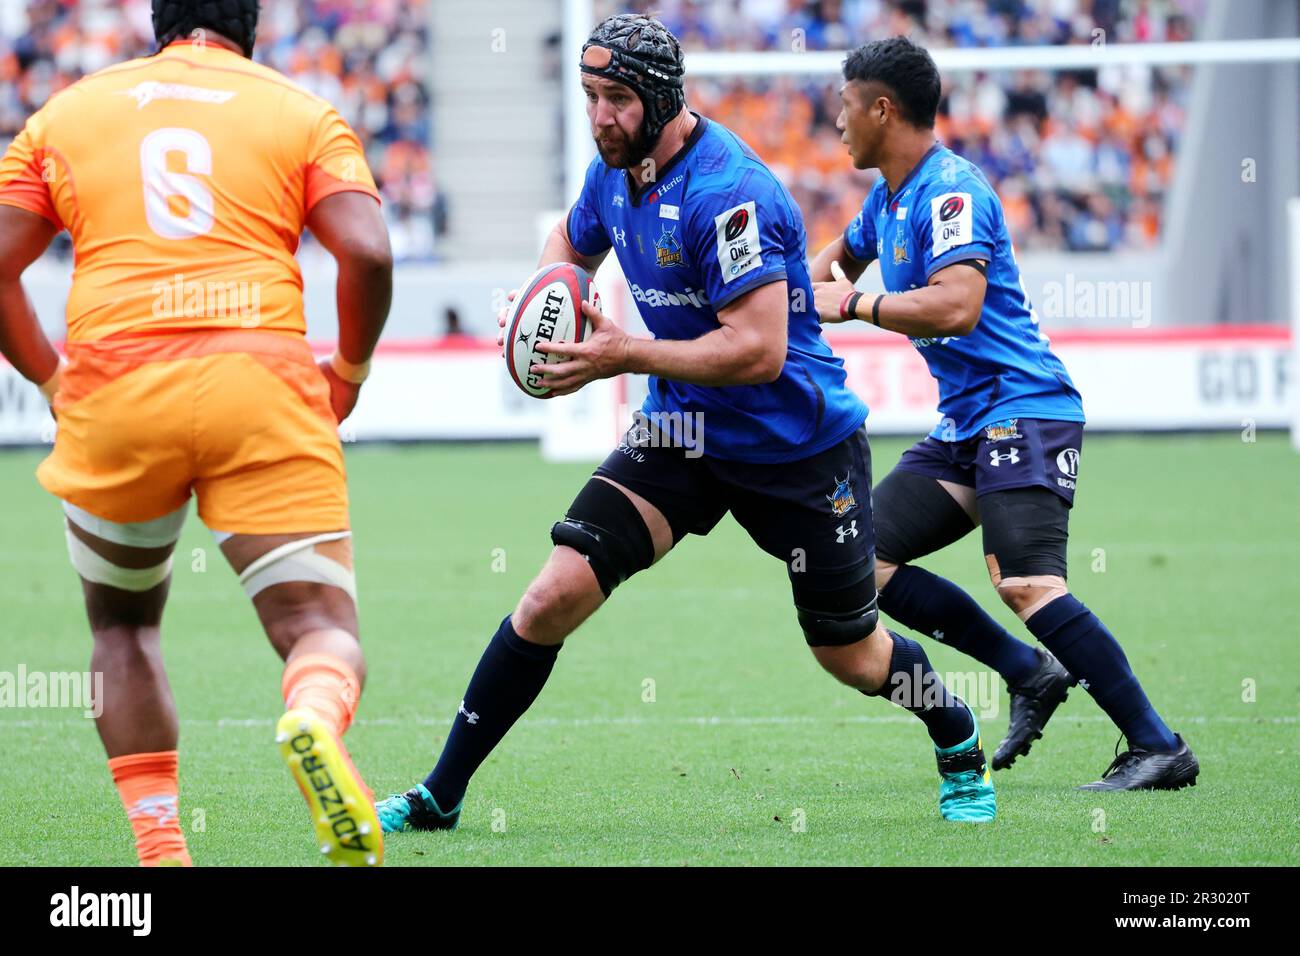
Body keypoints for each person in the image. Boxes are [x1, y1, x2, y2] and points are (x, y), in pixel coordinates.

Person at [378, 14, 996, 832]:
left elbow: (759, 351)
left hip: (796, 447)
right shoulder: (615, 168)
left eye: (618, 99)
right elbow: (571, 238)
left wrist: (622, 354)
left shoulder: (728, 195)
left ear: (665, 101)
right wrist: (546, 305)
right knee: (551, 595)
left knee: (849, 653)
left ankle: (953, 727)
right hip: (684, 433)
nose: (601, 115)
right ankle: (442, 795)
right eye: (591, 95)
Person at [0, 0, 393, 864]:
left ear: (157, 23)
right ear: (250, 26)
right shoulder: (299, 109)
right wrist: (350, 374)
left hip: (117, 383)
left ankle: (162, 850)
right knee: (319, 626)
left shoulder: (68, 111)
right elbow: (366, 251)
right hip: (261, 381)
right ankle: (311, 715)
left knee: (124, 628)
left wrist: (51, 378)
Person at [810, 36, 1198, 790]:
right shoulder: (888, 197)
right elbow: (834, 266)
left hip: (1025, 408)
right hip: (965, 424)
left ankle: (1159, 746)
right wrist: (780, 299)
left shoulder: (952, 191)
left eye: (845, 107)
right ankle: (1028, 671)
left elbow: (957, 305)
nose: (836, 124)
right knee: (863, 561)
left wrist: (853, 304)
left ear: (881, 109)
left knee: (1026, 583)